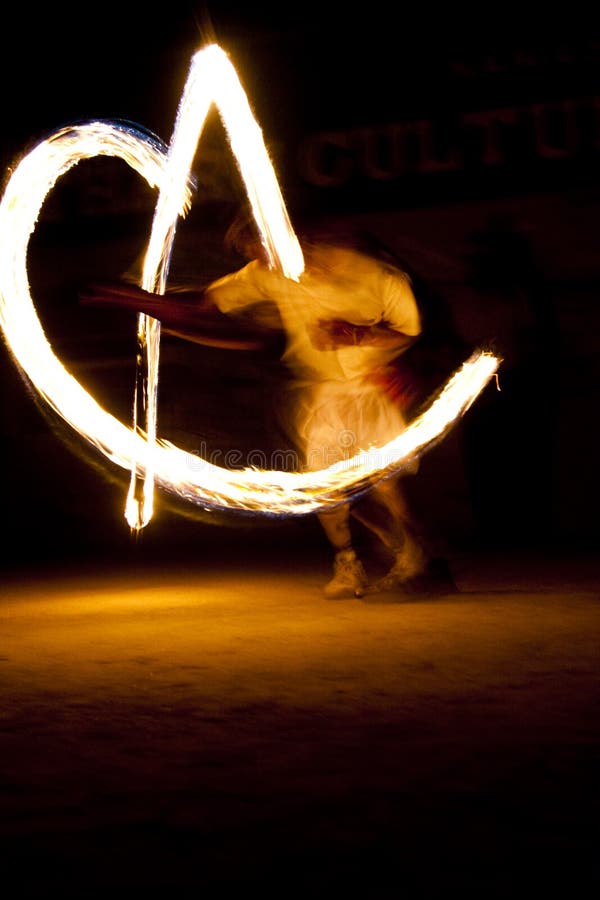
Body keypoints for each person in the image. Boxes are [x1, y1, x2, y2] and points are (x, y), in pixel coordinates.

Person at [81, 215, 448, 599]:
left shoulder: (373, 274)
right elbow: (207, 303)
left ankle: (414, 557)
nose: (260, 260)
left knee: (384, 484)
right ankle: (351, 564)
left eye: (260, 249)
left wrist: (360, 333)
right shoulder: (265, 274)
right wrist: (133, 300)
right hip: (325, 396)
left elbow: (409, 329)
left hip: (367, 390)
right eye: (252, 254)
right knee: (327, 490)